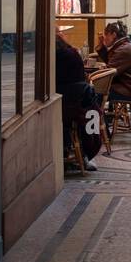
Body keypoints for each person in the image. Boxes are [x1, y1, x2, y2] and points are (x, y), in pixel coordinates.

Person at [55, 31, 101, 169]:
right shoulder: (74, 54)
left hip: (61, 107)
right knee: (93, 112)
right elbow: (81, 77)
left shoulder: (53, 57)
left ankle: (64, 149)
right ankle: (86, 155)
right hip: (80, 106)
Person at [98, 19, 131, 117]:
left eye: (106, 35)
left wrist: (101, 70)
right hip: (130, 86)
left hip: (130, 91)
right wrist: (102, 46)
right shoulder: (124, 45)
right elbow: (111, 63)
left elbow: (108, 74)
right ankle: (103, 120)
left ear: (114, 35)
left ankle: (100, 123)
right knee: (98, 90)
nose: (104, 37)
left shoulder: (122, 50)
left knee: (96, 92)